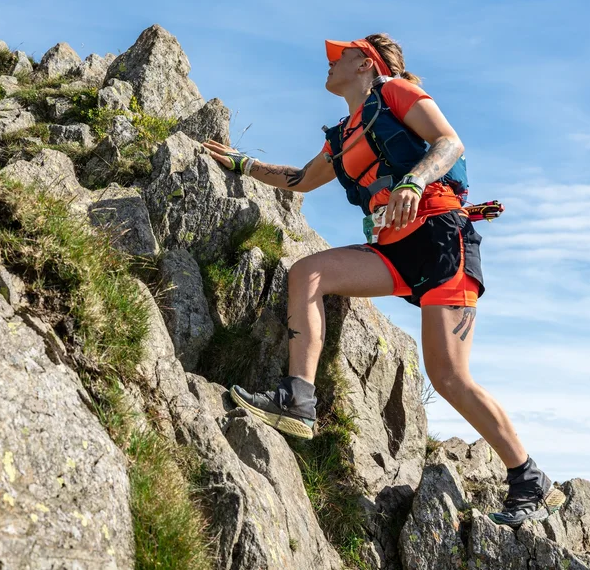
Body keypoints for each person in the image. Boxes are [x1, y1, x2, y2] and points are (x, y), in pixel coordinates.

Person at [200, 34, 565, 527]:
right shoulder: (345, 133)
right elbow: (301, 179)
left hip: (441, 240)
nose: (329, 63)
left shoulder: (394, 93)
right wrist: (244, 163)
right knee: (307, 272)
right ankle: (298, 399)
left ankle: (527, 477)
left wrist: (413, 181)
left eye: (338, 55)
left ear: (365, 62)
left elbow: (449, 142)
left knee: (450, 377)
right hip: (392, 250)